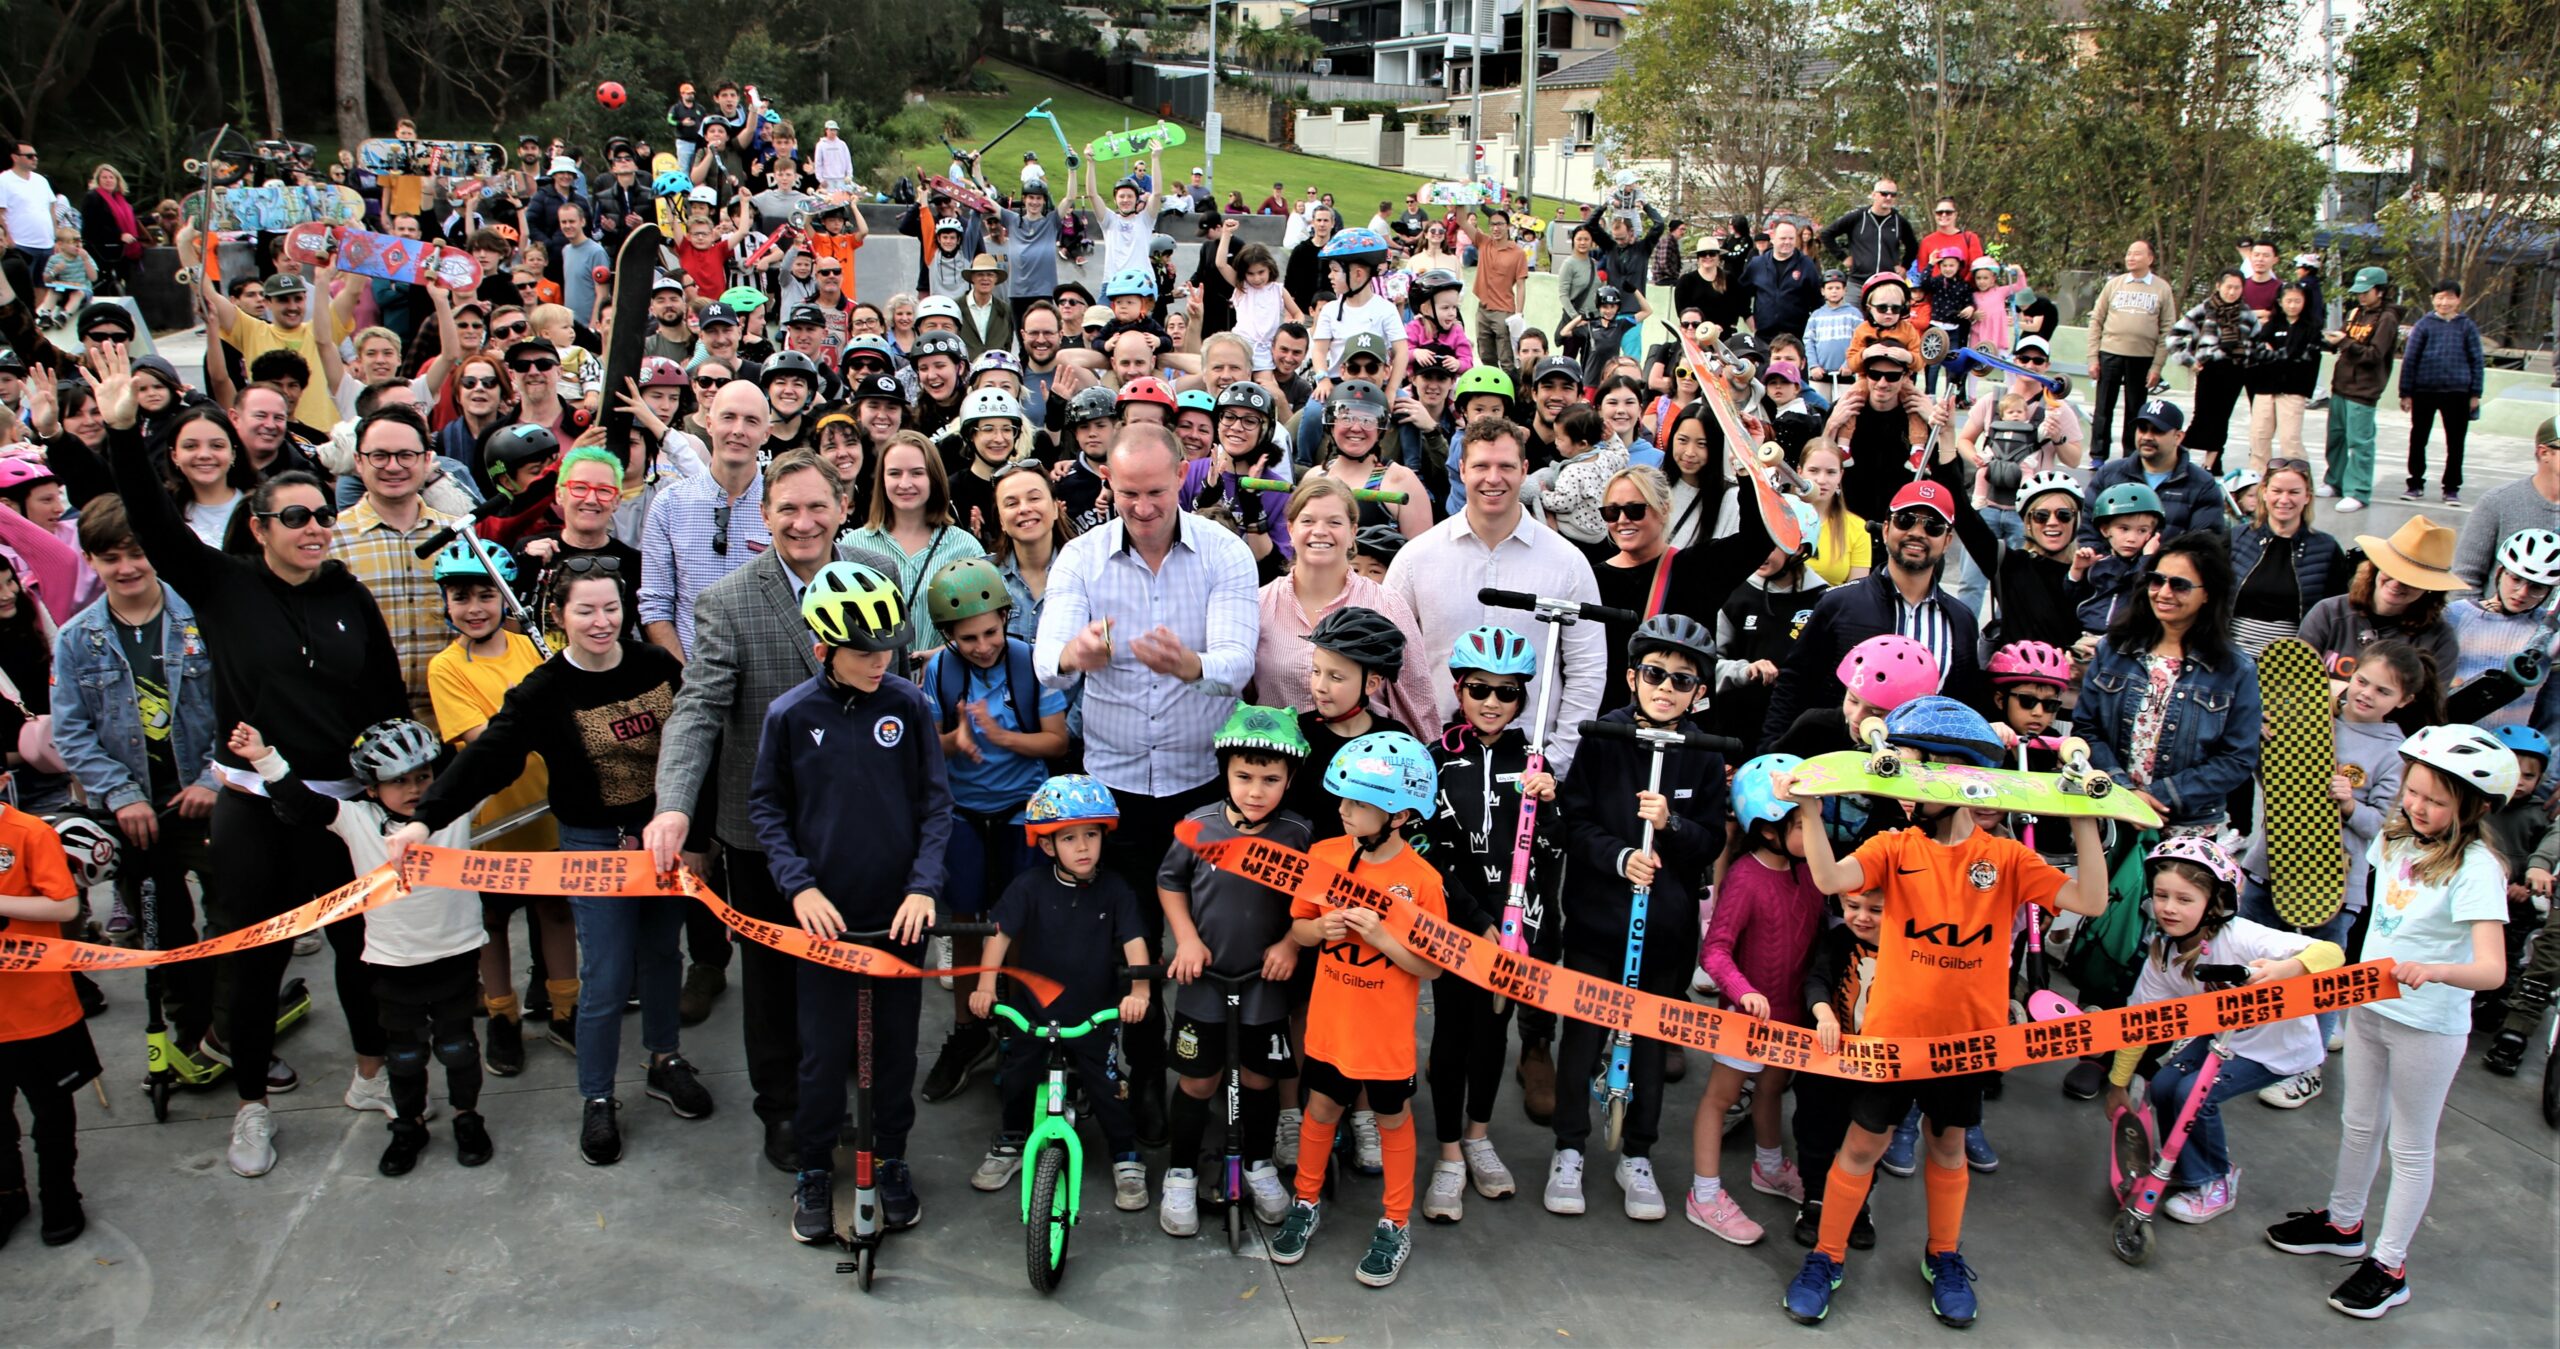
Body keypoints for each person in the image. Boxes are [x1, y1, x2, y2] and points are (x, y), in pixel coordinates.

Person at [99, 346, 408, 1180]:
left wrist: (399, 795)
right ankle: (251, 1109)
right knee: (252, 955)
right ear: (260, 526)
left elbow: (384, 701)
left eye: (322, 516)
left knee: (359, 953)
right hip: (252, 810)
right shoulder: (223, 585)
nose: (314, 527)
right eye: (296, 517)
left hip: (340, 812)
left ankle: (369, 1078)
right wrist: (126, 431)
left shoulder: (348, 594)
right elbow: (154, 523)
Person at [1778, 697, 2111, 1329]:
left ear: (1953, 773)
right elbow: (1827, 880)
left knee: (1949, 1145)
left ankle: (1945, 1255)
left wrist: (2086, 816)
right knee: (1860, 1147)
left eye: (1912, 769)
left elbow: (2090, 899)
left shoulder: (2007, 857)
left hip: (1965, 1045)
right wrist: (1810, 808)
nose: (1902, 786)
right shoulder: (1893, 844)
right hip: (1893, 1039)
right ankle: (1826, 1254)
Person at [391, 563, 698, 1166]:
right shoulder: (543, 690)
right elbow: (489, 760)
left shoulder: (658, 667)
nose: (601, 622)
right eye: (585, 611)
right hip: (593, 846)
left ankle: (665, 1060)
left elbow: (697, 745)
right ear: (558, 617)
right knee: (606, 975)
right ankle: (598, 1098)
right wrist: (423, 820)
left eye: (611, 608)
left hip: (663, 840)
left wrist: (698, 837)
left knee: (664, 957)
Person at [1034, 425, 1261, 1143]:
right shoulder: (1080, 556)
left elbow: (1237, 655)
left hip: (1201, 785)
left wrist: (1191, 666)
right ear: (1108, 483)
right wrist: (1076, 651)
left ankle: (1200, 1073)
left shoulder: (1223, 553)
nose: (1142, 507)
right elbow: (1046, 660)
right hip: (1115, 783)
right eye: (1127, 493)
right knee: (1124, 942)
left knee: (1201, 943)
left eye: (1156, 492)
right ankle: (1138, 1078)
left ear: (1184, 479)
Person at [645, 452, 867, 1173]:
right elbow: (700, 707)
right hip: (762, 837)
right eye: (787, 509)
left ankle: (838, 1093)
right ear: (764, 515)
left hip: (853, 831)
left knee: (844, 972)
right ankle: (783, 1109)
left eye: (817, 507)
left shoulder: (874, 577)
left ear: (842, 508)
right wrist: (675, 805)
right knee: (772, 987)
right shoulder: (728, 601)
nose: (803, 523)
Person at [2265, 726, 2515, 1320]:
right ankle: (2344, 1223)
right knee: (2357, 1124)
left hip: (2428, 1025)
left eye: (2436, 800)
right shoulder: (2397, 841)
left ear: (2474, 808)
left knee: (2410, 1145)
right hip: (2370, 1004)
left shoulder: (2477, 868)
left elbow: (2492, 970)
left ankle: (2390, 1264)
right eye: (2413, 791)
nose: (2418, 806)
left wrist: (2436, 969)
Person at [742, 557, 954, 1240]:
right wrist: (798, 886)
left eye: (887, 644)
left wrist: (923, 887)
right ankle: (812, 1165)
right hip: (822, 923)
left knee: (895, 1050)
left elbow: (935, 806)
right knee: (822, 1050)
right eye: (863, 650)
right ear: (822, 648)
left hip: (898, 918)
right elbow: (767, 810)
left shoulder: (911, 706)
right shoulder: (790, 714)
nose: (879, 659)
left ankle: (890, 1156)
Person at [239, 717, 493, 1177]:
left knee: (458, 1048)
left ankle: (466, 1118)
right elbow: (302, 802)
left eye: (422, 776)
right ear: (372, 790)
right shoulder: (356, 819)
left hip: (456, 954)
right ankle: (408, 1127)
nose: (413, 789)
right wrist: (262, 757)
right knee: (405, 1056)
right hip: (393, 964)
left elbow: (493, 763)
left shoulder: (452, 811)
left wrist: (507, 718)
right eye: (397, 782)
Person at [1546, 615, 1727, 1224]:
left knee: (1652, 1041)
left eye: (1682, 680)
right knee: (1583, 1037)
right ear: (1632, 676)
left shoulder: (1701, 753)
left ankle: (1639, 1153)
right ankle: (1569, 1147)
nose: (1666, 688)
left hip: (1666, 931)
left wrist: (1670, 825)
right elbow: (1575, 820)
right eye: (1654, 674)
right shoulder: (1606, 738)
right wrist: (1620, 857)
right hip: (1601, 921)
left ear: (1699, 691)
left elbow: (1707, 842)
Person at [1267, 731, 1445, 1288]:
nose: (1342, 811)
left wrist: (1385, 938)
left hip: (1385, 1035)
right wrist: (1319, 928)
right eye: (1342, 799)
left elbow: (1433, 966)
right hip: (1329, 1026)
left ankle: (1395, 1221)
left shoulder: (1422, 881)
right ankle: (1306, 1200)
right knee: (1320, 1109)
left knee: (1392, 1118)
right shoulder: (1324, 856)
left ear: (1398, 815)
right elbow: (1297, 926)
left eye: (1358, 803)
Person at [2104, 837, 2344, 1223]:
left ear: (2213, 902)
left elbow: (2332, 953)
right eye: (2162, 895)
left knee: (2194, 1095)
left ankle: (2216, 1178)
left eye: (2184, 899)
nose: (2168, 907)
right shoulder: (2163, 953)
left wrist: (2286, 970)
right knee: (2165, 1085)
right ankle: (2182, 1160)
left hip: (2274, 1046)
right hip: (2222, 1038)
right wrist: (2118, 1084)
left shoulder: (2243, 936)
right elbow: (2141, 1022)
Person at [50, 494, 220, 1033]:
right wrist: (121, 794)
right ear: (92, 561)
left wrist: (212, 776)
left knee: (235, 920)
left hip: (209, 801)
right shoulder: (77, 637)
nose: (125, 568)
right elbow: (71, 731)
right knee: (165, 933)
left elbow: (240, 702)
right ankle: (188, 1031)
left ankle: (235, 1027)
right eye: (109, 557)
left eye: (136, 553)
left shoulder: (202, 616)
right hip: (134, 817)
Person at [2243, 640, 2433, 1109]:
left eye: (2382, 690)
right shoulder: (2312, 718)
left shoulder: (2397, 755)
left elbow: (2386, 827)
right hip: (2271, 863)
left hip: (2333, 883)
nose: (2366, 694)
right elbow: (2266, 780)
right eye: (2362, 681)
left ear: (2403, 701)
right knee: (2246, 948)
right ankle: (2235, 1035)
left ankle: (2307, 1068)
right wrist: (2263, 749)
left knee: (2323, 973)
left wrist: (2349, 805)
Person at [1153, 706, 1316, 1234]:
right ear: (1224, 772)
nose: (1255, 790)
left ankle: (1260, 1164)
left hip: (1264, 983)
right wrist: (1186, 939)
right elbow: (1170, 883)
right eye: (1244, 776)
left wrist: (1290, 943)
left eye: (1271, 779)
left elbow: (1315, 900)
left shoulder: (1298, 835)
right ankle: (1179, 1173)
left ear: (1290, 780)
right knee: (1199, 1082)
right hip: (1206, 981)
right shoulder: (1198, 828)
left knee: (1259, 1078)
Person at [1413, 628, 1558, 1212]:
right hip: (1459, 925)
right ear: (1458, 689)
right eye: (1479, 689)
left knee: (1493, 1035)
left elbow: (1551, 851)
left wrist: (1548, 807)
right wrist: (1475, 918)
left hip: (1517, 929)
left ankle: (1478, 1136)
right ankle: (1448, 1152)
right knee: (1452, 1032)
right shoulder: (1435, 757)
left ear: (1524, 698)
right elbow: (1424, 844)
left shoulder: (1534, 762)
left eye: (1508, 692)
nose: (1492, 702)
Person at [917, 556, 1069, 1103]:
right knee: (962, 926)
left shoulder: (1030, 665)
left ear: (1006, 618)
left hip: (1019, 811)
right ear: (948, 637)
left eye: (990, 632)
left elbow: (1056, 742)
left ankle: (1019, 1022)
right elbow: (927, 745)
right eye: (967, 638)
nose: (982, 646)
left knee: (1019, 923)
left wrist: (1001, 739)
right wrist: (955, 742)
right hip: (962, 812)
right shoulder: (940, 671)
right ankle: (968, 1029)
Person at [968, 773, 1153, 1217]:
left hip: (1094, 1015)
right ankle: (1012, 1142)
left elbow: (1135, 943)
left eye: (1091, 835)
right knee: (1015, 1077)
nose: (1084, 847)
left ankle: (1125, 1156)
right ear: (1048, 845)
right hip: (1033, 1013)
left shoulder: (1115, 890)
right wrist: (986, 984)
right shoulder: (1029, 887)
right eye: (1069, 838)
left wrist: (1140, 990)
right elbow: (999, 935)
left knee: (1108, 1087)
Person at [1384, 419, 1606, 775]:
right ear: (1461, 469)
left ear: (1524, 470)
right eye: (1481, 466)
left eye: (1505, 466)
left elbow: (1587, 669)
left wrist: (1557, 761)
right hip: (1433, 759)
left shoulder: (1567, 563)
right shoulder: (1415, 559)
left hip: (1532, 766)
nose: (1493, 478)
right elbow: (1388, 665)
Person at [423, 540, 567, 1076]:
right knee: (492, 921)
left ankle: (564, 1006)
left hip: (549, 810)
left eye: (486, 594)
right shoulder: (445, 667)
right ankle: (503, 1015)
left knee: (555, 911)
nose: (476, 607)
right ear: (447, 603)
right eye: (461, 596)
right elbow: (485, 739)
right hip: (489, 822)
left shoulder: (535, 647)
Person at [1683, 753, 1824, 1245]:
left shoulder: (1812, 872)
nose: (1818, 831)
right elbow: (1715, 951)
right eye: (1806, 821)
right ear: (1768, 828)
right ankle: (1703, 1193)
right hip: (1744, 1019)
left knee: (1771, 1090)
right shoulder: (1745, 876)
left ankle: (1768, 1168)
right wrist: (1743, 993)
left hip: (1791, 1016)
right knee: (1721, 1099)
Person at [1760, 479, 1983, 748]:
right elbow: (1793, 686)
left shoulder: (1961, 621)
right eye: (1905, 520)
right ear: (1887, 529)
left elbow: (1963, 704)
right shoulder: (1839, 603)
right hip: (1841, 764)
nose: (1917, 532)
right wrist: (1770, 754)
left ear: (1947, 541)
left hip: (1920, 772)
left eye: (1933, 526)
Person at [2073, 530, 2262, 834]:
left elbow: (2237, 758)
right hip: (2111, 813)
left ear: (2208, 593)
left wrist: (2159, 797)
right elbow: (2086, 728)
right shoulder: (2114, 649)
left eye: (2180, 585)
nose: (2163, 593)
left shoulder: (2235, 669)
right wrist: (2125, 792)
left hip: (2188, 827)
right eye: (2157, 580)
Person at [1253, 477, 1436, 736]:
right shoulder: (1260, 605)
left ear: (1352, 532)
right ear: (1291, 530)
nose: (1320, 531)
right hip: (1283, 767)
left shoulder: (1386, 604)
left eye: (1334, 522)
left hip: (1365, 766)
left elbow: (1415, 699)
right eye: (1308, 521)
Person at [0, 795, 91, 1247]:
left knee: (50, 1112)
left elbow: (64, 906)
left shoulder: (30, 833)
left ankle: (60, 1193)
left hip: (38, 1009)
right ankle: (7, 1193)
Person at [2300, 515, 2464, 681]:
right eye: (2392, 569)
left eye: (2411, 579)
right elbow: (2293, 680)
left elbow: (2430, 703)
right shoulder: (2328, 612)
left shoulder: (2440, 639)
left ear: (2431, 588)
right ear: (2376, 566)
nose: (2397, 583)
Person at [2226, 458, 2350, 655]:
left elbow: (2338, 612)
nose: (2284, 500)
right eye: (2277, 491)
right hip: (2231, 656)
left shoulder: (2327, 548)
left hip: (2290, 664)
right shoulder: (2236, 538)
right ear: (2264, 492)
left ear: (2307, 497)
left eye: (2294, 492)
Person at [2082, 398, 2224, 547]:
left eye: (2157, 430)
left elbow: (2204, 546)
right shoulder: (2108, 474)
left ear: (2178, 437)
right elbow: (2088, 531)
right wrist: (2107, 566)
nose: (2147, 437)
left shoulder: (2203, 485)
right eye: (2142, 429)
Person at [2085, 240, 2176, 462]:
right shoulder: (2114, 285)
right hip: (2110, 353)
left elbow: (2167, 329)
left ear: (2150, 259)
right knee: (2103, 407)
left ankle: (2131, 456)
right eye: (2128, 253)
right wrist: (2092, 357)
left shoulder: (2161, 288)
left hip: (2142, 357)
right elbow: (2096, 319)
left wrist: (2157, 366)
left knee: (2135, 410)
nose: (2130, 258)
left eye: (2137, 254)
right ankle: (2098, 455)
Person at [2320, 266, 2401, 513]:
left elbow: (2375, 354)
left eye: (2366, 292)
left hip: (2364, 389)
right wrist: (2333, 340)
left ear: (2380, 291)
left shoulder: (2387, 319)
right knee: (2336, 437)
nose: (2361, 296)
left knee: (2359, 442)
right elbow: (2344, 340)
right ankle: (2335, 480)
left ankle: (2358, 491)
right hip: (2341, 385)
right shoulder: (2355, 312)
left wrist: (2344, 342)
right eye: (2359, 291)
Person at [2397, 279, 2485, 506]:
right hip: (2424, 391)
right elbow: (2410, 360)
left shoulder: (2467, 326)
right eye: (2440, 297)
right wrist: (2405, 392)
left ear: (2458, 300)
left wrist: (2475, 393)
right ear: (2433, 299)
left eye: (2449, 297)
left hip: (2458, 392)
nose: (2444, 302)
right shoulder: (2423, 325)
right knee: (2418, 439)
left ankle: (2451, 488)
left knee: (2456, 442)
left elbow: (2477, 360)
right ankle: (2415, 484)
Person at [2246, 282, 2324, 477]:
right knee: (2259, 436)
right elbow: (2258, 353)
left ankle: (2299, 478)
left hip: (2293, 389)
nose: (2292, 305)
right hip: (2265, 388)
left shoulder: (2311, 328)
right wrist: (2278, 356)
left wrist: (2278, 356)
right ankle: (2257, 478)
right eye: (2288, 300)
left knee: (2290, 439)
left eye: (2297, 301)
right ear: (2280, 302)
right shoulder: (2271, 325)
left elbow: (2305, 359)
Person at [1818, 180, 1919, 279]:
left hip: (1887, 282)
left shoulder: (1899, 221)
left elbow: (1913, 246)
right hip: (1858, 280)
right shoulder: (1857, 217)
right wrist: (1843, 257)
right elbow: (1826, 234)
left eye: (1893, 195)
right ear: (1874, 195)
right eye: (1884, 193)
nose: (1889, 198)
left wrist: (1905, 266)